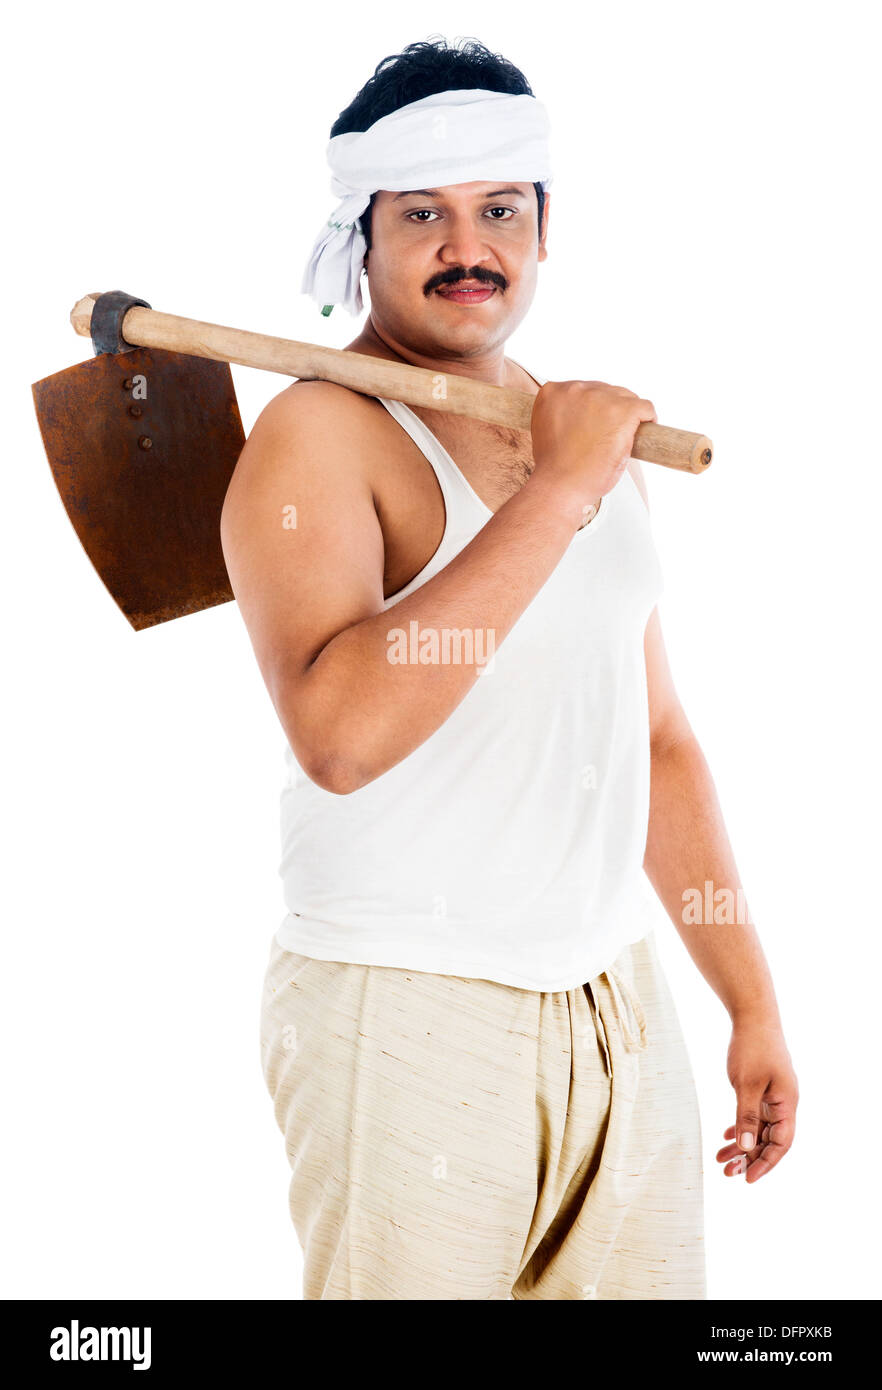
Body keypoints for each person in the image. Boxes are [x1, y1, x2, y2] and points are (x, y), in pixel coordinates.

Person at [220, 36, 799, 1301]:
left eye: (499, 209)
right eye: (421, 213)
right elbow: (341, 732)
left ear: (544, 226)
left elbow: (656, 740)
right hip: (406, 1008)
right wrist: (565, 486)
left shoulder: (572, 425)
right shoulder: (321, 434)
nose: (464, 245)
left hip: (615, 1000)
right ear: (361, 235)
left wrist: (746, 996)